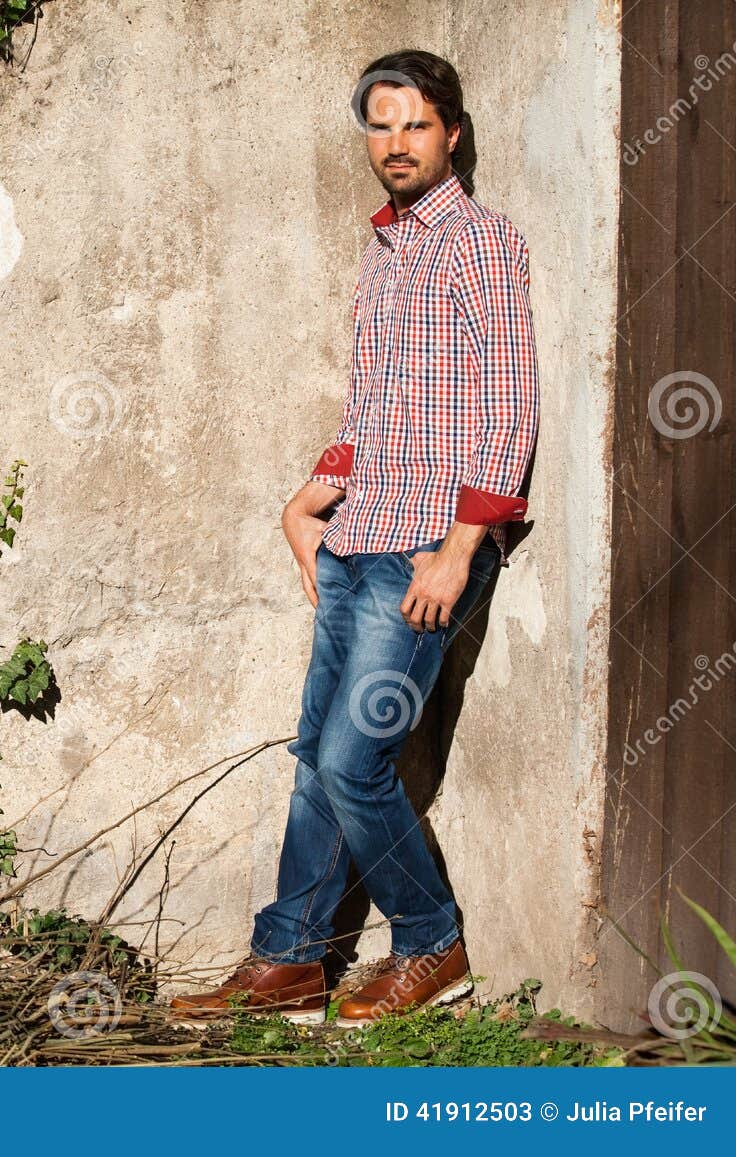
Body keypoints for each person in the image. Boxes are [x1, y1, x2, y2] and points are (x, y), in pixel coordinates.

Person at [171, 49, 539, 1028]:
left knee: (352, 760)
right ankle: (288, 958)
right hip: (355, 538)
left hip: (425, 549)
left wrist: (462, 547)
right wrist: (311, 495)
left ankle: (430, 939)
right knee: (312, 759)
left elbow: (506, 410)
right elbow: (375, 405)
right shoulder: (383, 249)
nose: (395, 144)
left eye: (413, 124)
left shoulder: (481, 243)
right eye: (379, 126)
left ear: (450, 132)